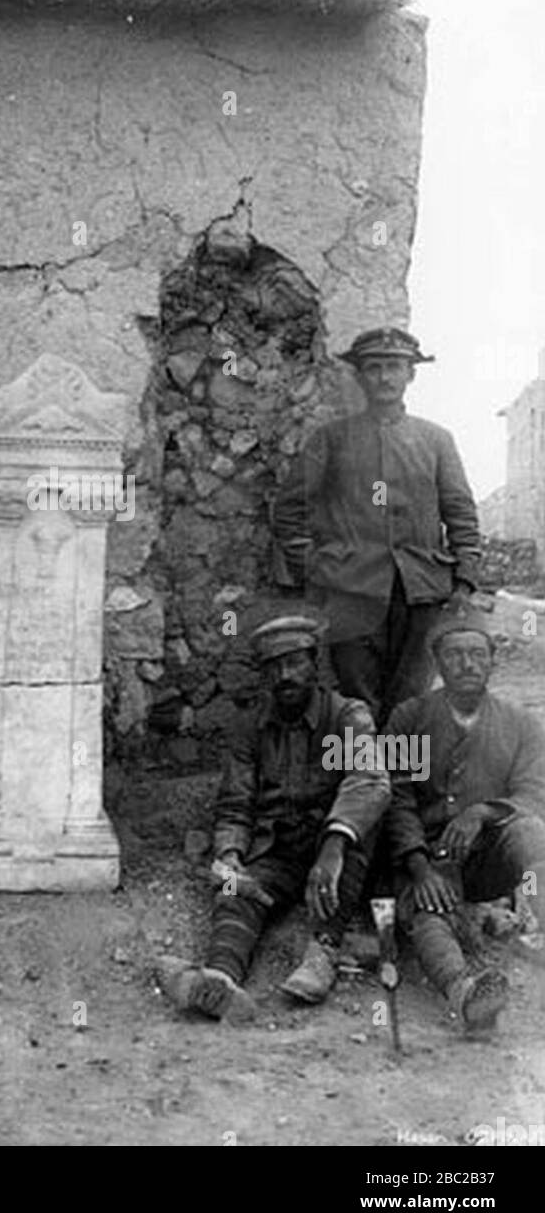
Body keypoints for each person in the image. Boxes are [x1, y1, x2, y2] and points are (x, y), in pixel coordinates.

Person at [158, 615, 390, 1023]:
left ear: (313, 664)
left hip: (332, 847)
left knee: (354, 839)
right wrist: (229, 856)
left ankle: (323, 951)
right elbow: (236, 804)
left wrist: (334, 845)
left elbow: (369, 780)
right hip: (277, 846)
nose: (285, 675)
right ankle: (220, 979)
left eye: (294, 662)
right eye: (274, 667)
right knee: (232, 889)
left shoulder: (345, 717)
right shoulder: (251, 725)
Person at [272, 327, 481, 725]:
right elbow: (289, 511)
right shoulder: (331, 440)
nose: (385, 377)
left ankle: (402, 785)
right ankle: (363, 784)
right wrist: (316, 572)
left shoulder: (437, 440)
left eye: (394, 367)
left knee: (412, 700)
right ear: (359, 376)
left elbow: (461, 513)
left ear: (410, 375)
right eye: (374, 368)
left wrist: (464, 580)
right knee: (355, 703)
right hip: (351, 591)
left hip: (422, 593)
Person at [386, 606, 545, 1033]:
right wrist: (419, 868)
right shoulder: (410, 719)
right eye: (454, 655)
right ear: (438, 663)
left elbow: (534, 794)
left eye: (477, 654)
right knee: (427, 911)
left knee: (532, 834)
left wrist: (483, 811)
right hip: (430, 857)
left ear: (493, 661)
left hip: (489, 858)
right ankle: (465, 992)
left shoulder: (520, 723)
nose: (467, 664)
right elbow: (397, 799)